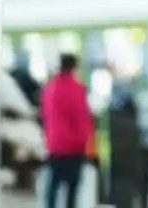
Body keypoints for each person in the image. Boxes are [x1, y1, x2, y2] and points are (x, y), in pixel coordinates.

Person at [41, 54, 94, 208]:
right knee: (72, 189)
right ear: (74, 68)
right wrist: (86, 140)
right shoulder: (77, 90)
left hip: (55, 144)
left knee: (53, 187)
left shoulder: (50, 89)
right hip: (74, 146)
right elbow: (82, 118)